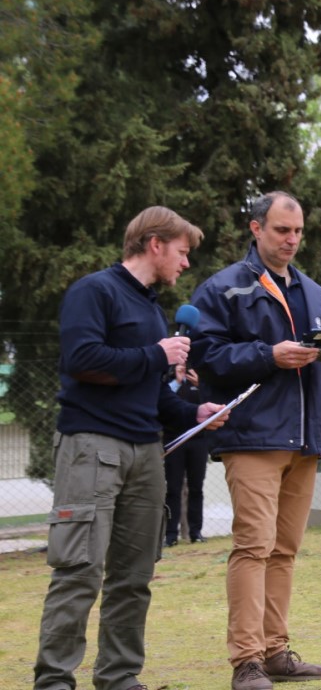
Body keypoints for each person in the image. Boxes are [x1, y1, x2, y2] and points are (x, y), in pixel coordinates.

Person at [34, 206, 225, 690]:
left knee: (134, 576)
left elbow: (151, 388)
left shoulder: (152, 307)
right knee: (79, 570)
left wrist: (192, 413)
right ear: (155, 244)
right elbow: (82, 360)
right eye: (182, 252)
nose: (186, 264)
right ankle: (54, 680)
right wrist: (155, 354)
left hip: (146, 453)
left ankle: (119, 677)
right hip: (92, 446)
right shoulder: (93, 291)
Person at [190, 191, 321, 690]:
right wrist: (267, 354)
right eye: (282, 230)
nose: (291, 240)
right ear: (256, 229)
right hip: (253, 437)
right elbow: (206, 356)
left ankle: (277, 652)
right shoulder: (222, 289)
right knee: (253, 548)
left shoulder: (319, 296)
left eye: (298, 231)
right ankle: (247, 662)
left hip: (305, 443)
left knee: (284, 551)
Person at [165, 364, 211, 546]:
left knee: (196, 488)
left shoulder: (201, 385)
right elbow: (165, 402)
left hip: (198, 441)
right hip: (174, 440)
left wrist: (200, 384)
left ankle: (196, 532)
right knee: (173, 489)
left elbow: (211, 401)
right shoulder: (169, 386)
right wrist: (177, 380)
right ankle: (170, 535)